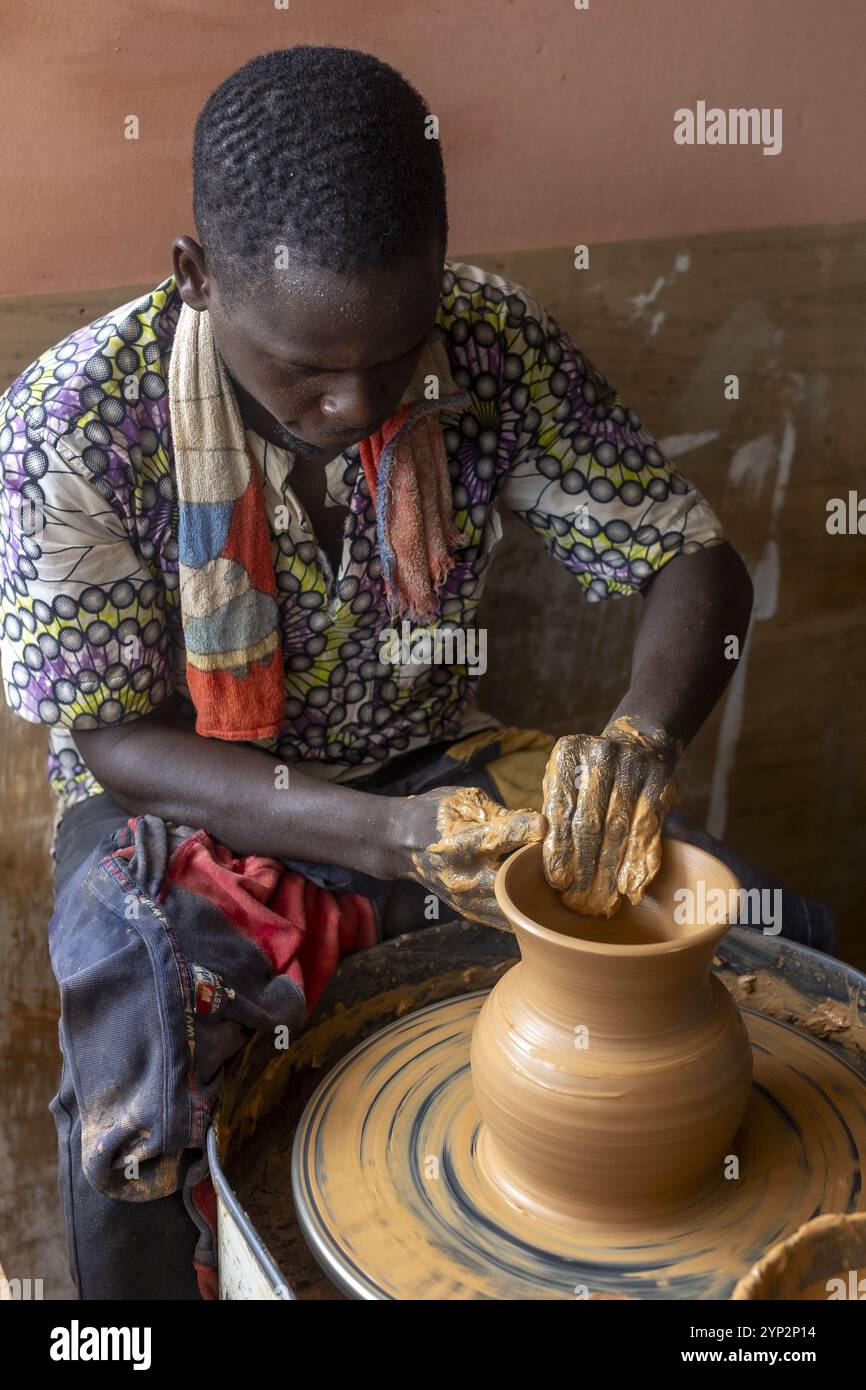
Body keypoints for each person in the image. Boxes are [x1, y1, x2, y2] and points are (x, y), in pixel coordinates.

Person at [0, 46, 827, 1301]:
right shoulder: (75, 422)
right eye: (303, 368)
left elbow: (693, 567)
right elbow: (116, 741)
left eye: (392, 358)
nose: (353, 403)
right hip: (178, 799)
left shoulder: (486, 344)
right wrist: (380, 835)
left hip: (431, 763)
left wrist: (640, 738)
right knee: (144, 1062)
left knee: (767, 940)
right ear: (197, 276)